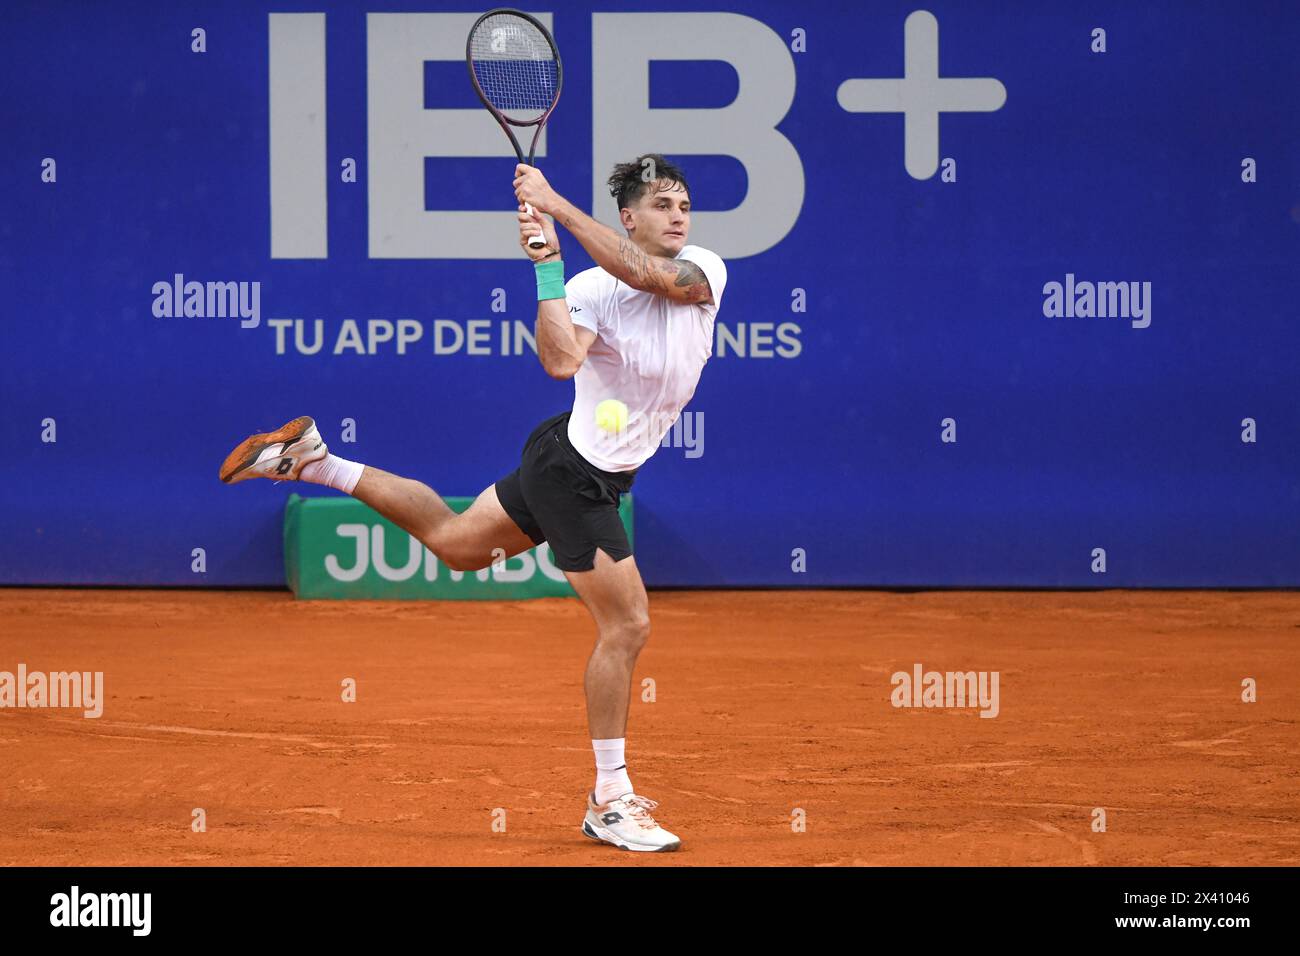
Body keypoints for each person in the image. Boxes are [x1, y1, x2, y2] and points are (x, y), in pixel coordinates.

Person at [218, 154, 726, 853]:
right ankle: (609, 797)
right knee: (628, 624)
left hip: (591, 467)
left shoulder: (702, 268)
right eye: (662, 205)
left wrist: (558, 207)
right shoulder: (587, 287)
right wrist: (546, 264)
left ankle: (316, 461)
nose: (678, 216)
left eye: (683, 205)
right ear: (629, 217)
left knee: (457, 545)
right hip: (572, 472)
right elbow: (558, 361)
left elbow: (647, 275)